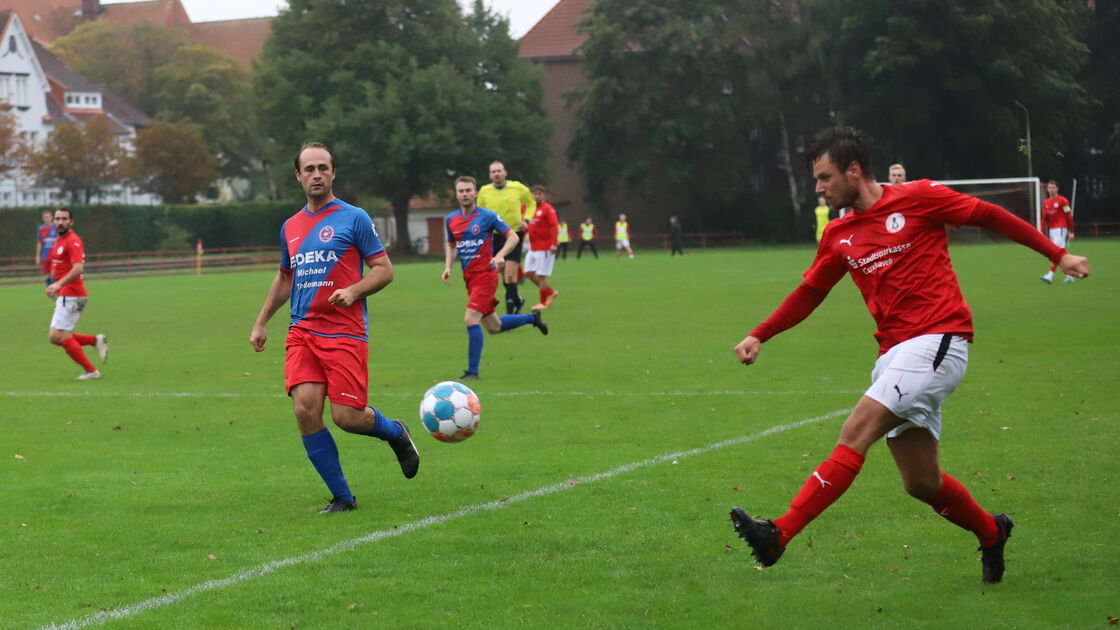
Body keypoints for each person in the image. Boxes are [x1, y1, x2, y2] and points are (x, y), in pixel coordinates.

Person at [729, 126, 1090, 584]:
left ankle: (778, 534)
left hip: (939, 340)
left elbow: (991, 216)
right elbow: (810, 292)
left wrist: (1056, 255)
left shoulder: (919, 198)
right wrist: (761, 334)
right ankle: (991, 532)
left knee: (855, 430)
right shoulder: (839, 234)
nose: (818, 188)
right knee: (921, 483)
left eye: (824, 177)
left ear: (853, 169)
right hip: (894, 355)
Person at [249, 142, 420, 515]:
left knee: (347, 418)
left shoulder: (354, 218)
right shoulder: (290, 227)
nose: (316, 175)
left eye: (323, 168)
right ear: (298, 176)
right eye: (309, 169)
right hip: (303, 331)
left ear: (333, 173)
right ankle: (343, 497)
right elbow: (284, 278)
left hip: (345, 332)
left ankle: (396, 432)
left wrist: (354, 291)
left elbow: (384, 270)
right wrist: (262, 322)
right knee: (305, 410)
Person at [442, 176, 549, 381]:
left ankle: (473, 371)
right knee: (494, 327)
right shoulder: (451, 220)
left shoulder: (487, 216)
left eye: (468, 190)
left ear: (475, 193)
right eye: (461, 191)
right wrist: (448, 267)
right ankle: (532, 318)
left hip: (486, 276)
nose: (465, 194)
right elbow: (451, 245)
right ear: (456, 194)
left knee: (470, 319)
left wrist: (500, 255)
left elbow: (514, 237)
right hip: (469, 278)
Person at [45, 208, 109, 380]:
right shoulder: (58, 240)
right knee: (56, 336)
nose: (60, 222)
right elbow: (59, 266)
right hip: (67, 293)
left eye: (64, 219)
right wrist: (54, 285)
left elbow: (78, 267)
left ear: (71, 222)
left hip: (73, 293)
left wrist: (57, 284)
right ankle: (95, 341)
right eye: (57, 219)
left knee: (59, 336)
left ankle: (91, 371)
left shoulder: (73, 241)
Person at [477, 160, 536, 314]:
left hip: (514, 234)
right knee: (503, 275)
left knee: (510, 275)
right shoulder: (484, 191)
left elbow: (531, 203)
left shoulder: (517, 187)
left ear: (505, 172)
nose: (496, 174)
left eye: (499, 171)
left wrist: (526, 220)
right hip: (495, 236)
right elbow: (479, 212)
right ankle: (517, 300)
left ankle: (511, 312)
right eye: (493, 172)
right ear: (490, 175)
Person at [525, 185, 560, 309]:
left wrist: (553, 244)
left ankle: (543, 302)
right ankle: (550, 292)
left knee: (541, 275)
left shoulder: (548, 208)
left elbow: (554, 226)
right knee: (528, 273)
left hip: (545, 248)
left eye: (540, 194)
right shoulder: (530, 209)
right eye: (535, 194)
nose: (537, 196)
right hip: (533, 247)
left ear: (544, 195)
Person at [1039, 180, 1076, 284]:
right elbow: (1044, 218)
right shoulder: (1046, 202)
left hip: (1061, 229)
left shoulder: (1063, 201)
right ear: (1047, 189)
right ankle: (1070, 276)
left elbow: (1069, 216)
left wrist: (1071, 231)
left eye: (1053, 187)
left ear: (1057, 189)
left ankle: (1050, 275)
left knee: (1055, 253)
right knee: (1061, 254)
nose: (1051, 189)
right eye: (1049, 188)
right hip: (1052, 231)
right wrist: (1042, 232)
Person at [36, 209, 58, 286]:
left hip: (55, 256)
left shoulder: (56, 228)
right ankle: (50, 289)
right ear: (43, 219)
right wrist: (38, 256)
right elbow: (39, 243)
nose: (47, 219)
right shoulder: (41, 229)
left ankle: (56, 289)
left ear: (52, 217)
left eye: (48, 217)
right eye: (45, 217)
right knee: (48, 275)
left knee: (54, 273)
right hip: (45, 256)